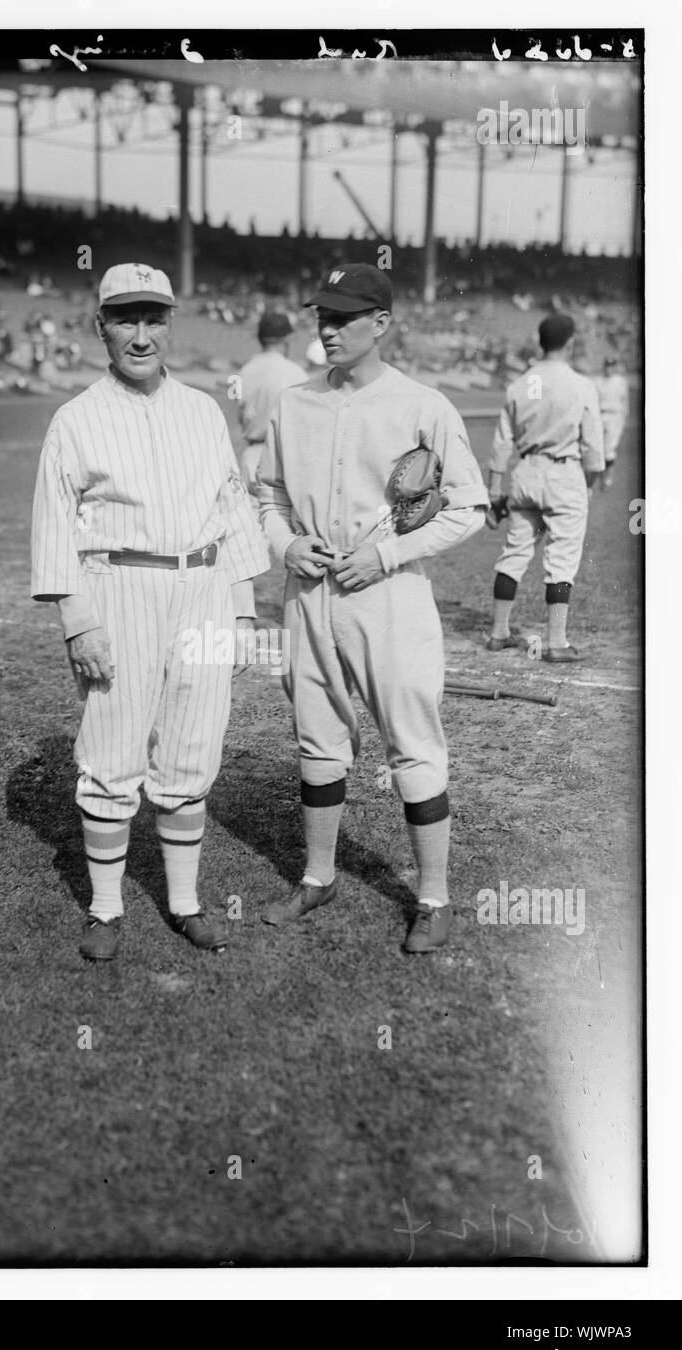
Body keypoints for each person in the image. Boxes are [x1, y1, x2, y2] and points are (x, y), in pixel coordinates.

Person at [31, 263, 270, 962]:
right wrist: (79, 621)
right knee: (112, 748)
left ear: (171, 324)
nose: (142, 335)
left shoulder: (200, 410)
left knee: (192, 746)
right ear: (98, 326)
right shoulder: (74, 421)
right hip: (119, 588)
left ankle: (185, 902)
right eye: (126, 319)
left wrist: (244, 613)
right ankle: (106, 910)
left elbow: (230, 512)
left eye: (154, 318)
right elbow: (54, 526)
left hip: (201, 587)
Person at [255, 263, 489, 954]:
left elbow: (469, 507)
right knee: (316, 738)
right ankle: (317, 877)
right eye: (321, 316)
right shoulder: (292, 404)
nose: (326, 328)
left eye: (343, 316)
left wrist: (386, 555)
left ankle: (432, 897)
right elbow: (264, 497)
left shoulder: (424, 406)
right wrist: (287, 543)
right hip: (310, 593)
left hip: (388, 597)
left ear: (381, 322)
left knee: (411, 742)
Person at [485, 313, 605, 663]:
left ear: (540, 342)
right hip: (564, 473)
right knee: (562, 560)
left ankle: (498, 633)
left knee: (514, 553)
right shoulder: (581, 384)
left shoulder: (520, 383)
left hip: (525, 473)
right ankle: (556, 643)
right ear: (570, 343)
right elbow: (594, 451)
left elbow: (501, 443)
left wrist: (495, 490)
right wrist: (589, 484)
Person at [235, 311, 306, 496]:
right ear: (287, 338)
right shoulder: (295, 372)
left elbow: (241, 414)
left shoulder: (244, 371)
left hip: (250, 456)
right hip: (281, 458)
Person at [594, 355, 629, 490]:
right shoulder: (597, 381)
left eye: (612, 365)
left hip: (615, 416)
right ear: (604, 366)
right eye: (607, 365)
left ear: (615, 367)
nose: (609, 368)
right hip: (600, 415)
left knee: (609, 449)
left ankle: (607, 476)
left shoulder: (620, 381)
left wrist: (624, 418)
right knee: (599, 448)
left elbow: (625, 402)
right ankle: (600, 475)